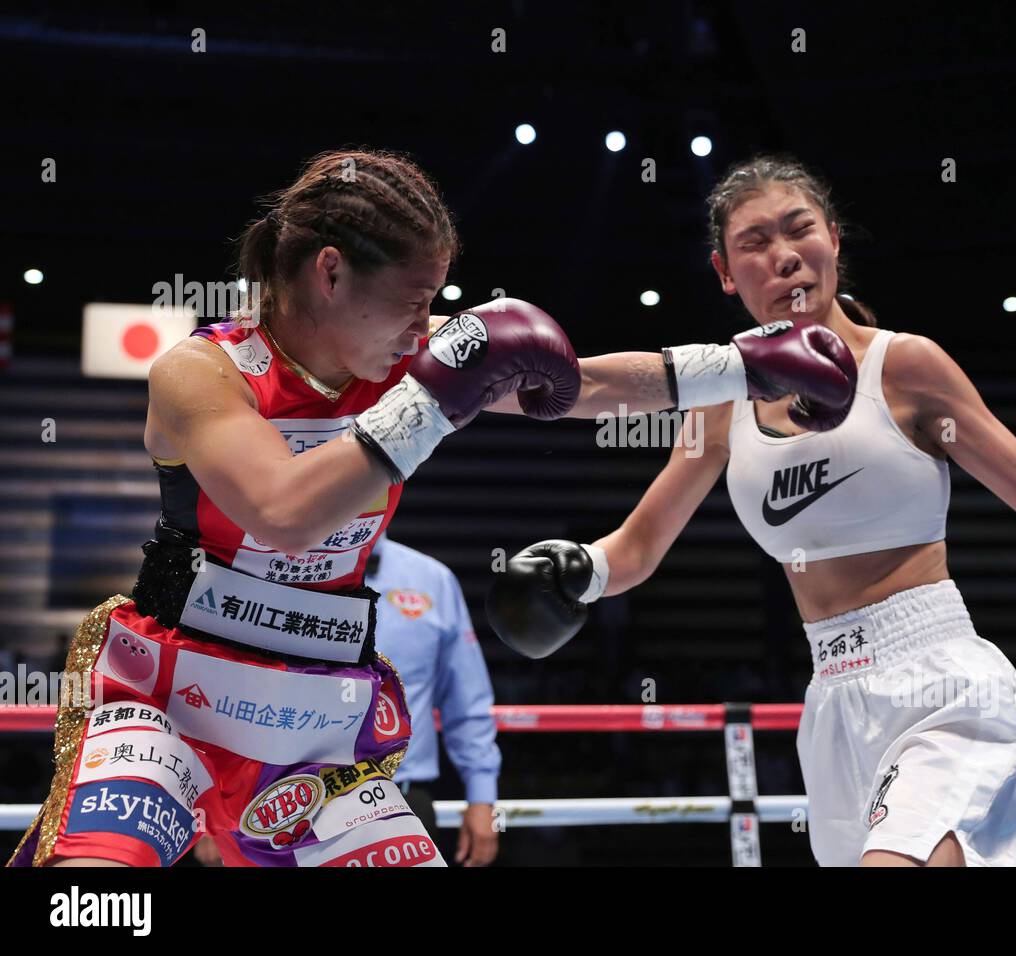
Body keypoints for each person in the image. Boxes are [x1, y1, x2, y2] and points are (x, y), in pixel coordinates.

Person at [9, 147, 858, 868]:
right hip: (167, 696)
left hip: (311, 721)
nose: (425, 328)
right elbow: (282, 511)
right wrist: (435, 400)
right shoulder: (201, 373)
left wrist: (750, 367)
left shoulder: (399, 361)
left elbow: (577, 383)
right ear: (331, 272)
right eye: (415, 299)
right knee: (96, 903)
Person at [485, 155, 1016, 867]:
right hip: (832, 707)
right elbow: (637, 540)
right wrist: (576, 570)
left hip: (944, 685)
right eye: (756, 241)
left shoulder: (906, 366)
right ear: (725, 273)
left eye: (799, 229)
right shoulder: (722, 398)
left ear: (834, 238)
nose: (785, 253)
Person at [367, 533, 501, 866]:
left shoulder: (433, 580)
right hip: (294, 798)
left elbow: (466, 701)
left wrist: (484, 798)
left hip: (404, 799)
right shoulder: (276, 564)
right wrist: (212, 816)